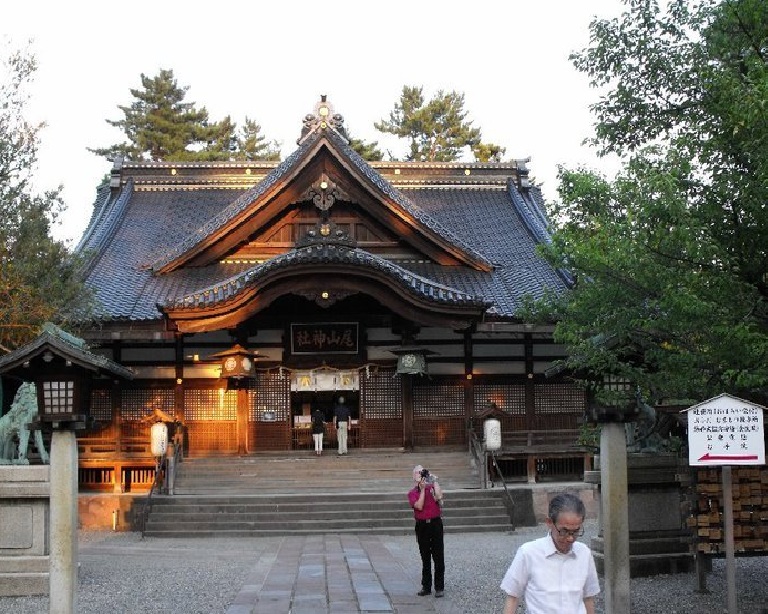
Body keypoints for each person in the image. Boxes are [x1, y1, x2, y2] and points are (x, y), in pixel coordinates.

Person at [500, 492, 599, 614]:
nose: (570, 538)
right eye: (564, 531)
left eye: (576, 531)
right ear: (549, 523)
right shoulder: (528, 553)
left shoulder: (584, 553)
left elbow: (588, 598)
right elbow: (513, 597)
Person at [408, 464, 445, 598]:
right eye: (418, 473)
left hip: (435, 523)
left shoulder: (432, 488)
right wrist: (422, 490)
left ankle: (439, 587)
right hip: (422, 525)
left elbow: (439, 497)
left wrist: (434, 480)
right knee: (425, 556)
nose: (420, 475)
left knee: (438, 555)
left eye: (422, 472)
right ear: (414, 477)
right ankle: (426, 586)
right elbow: (419, 505)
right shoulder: (412, 493)